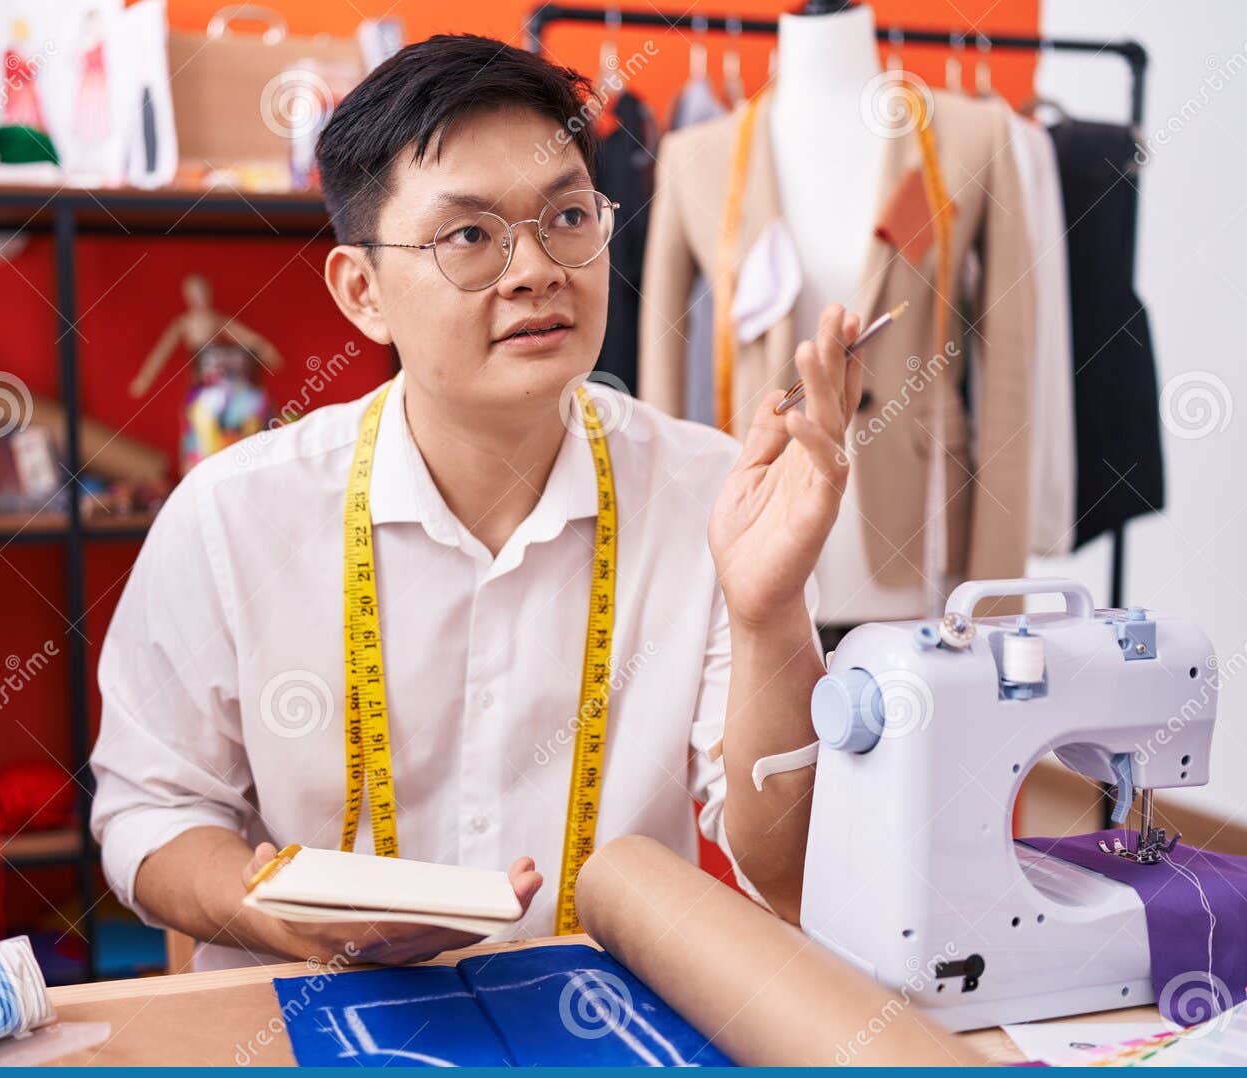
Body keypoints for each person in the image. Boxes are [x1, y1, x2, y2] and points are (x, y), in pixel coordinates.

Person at [90, 34, 863, 970]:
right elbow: (150, 811)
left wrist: (769, 613)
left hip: (601, 1041)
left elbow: (784, 872)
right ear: (363, 291)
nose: (536, 268)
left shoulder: (713, 496)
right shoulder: (232, 516)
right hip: (312, 1033)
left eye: (567, 216)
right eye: (470, 236)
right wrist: (274, 916)